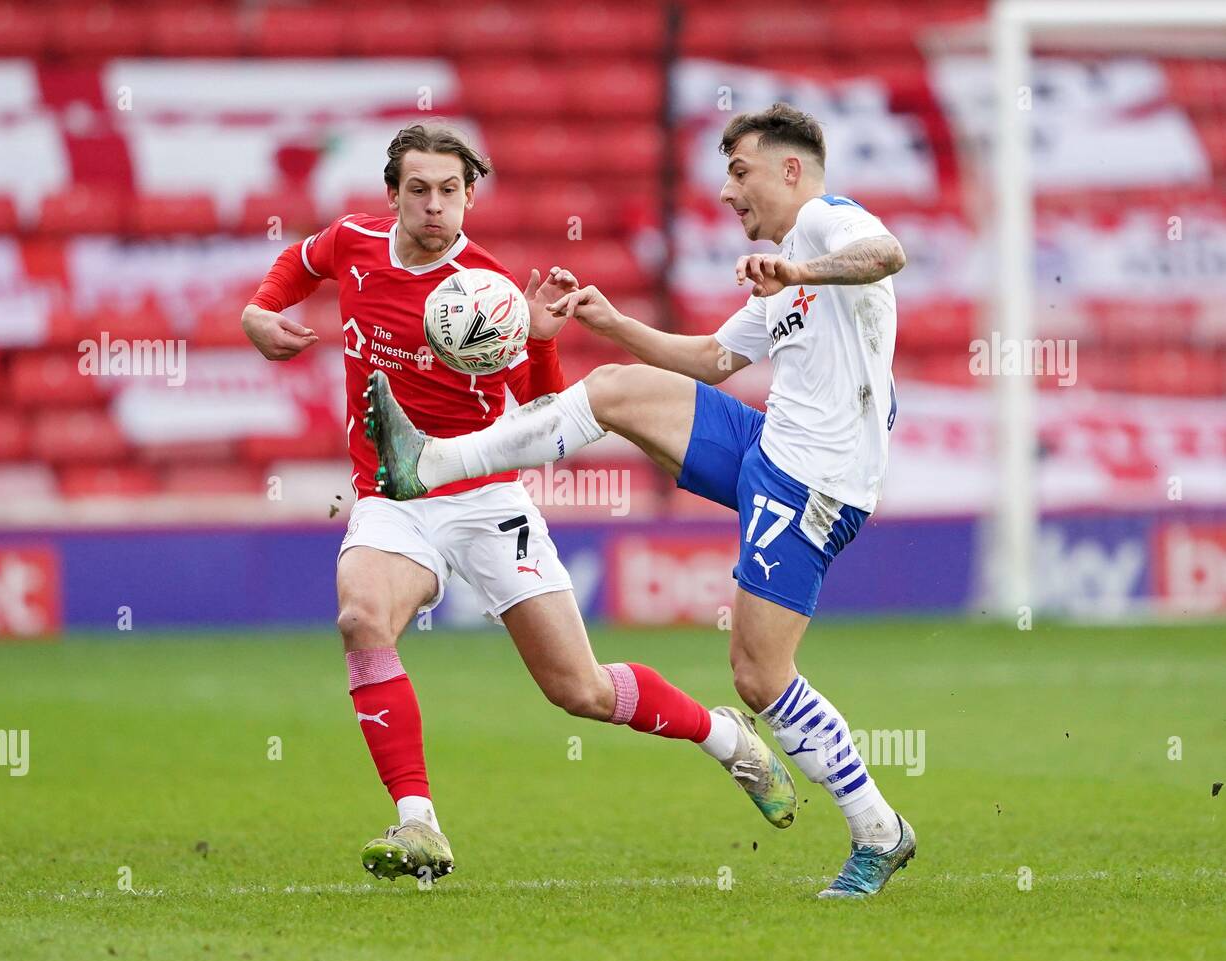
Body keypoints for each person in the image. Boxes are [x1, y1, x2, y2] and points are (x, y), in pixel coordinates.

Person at [366, 105, 915, 898]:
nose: (728, 192)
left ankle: (878, 828)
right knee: (618, 389)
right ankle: (436, 459)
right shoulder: (788, 261)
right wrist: (612, 321)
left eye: (740, 172)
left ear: (791, 171)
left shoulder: (829, 224)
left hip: (816, 485)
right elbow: (714, 358)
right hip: (767, 446)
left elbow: (886, 253)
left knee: (759, 678)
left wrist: (800, 274)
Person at [242, 122, 797, 884]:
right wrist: (259, 311)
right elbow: (296, 264)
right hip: (393, 496)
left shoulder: (489, 291)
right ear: (393, 194)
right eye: (418, 190)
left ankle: (724, 737)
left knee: (581, 689)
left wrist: (537, 337)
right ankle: (418, 823)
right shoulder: (353, 244)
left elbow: (543, 410)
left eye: (449, 191)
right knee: (360, 616)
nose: (434, 205)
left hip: (484, 496)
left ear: (471, 196)